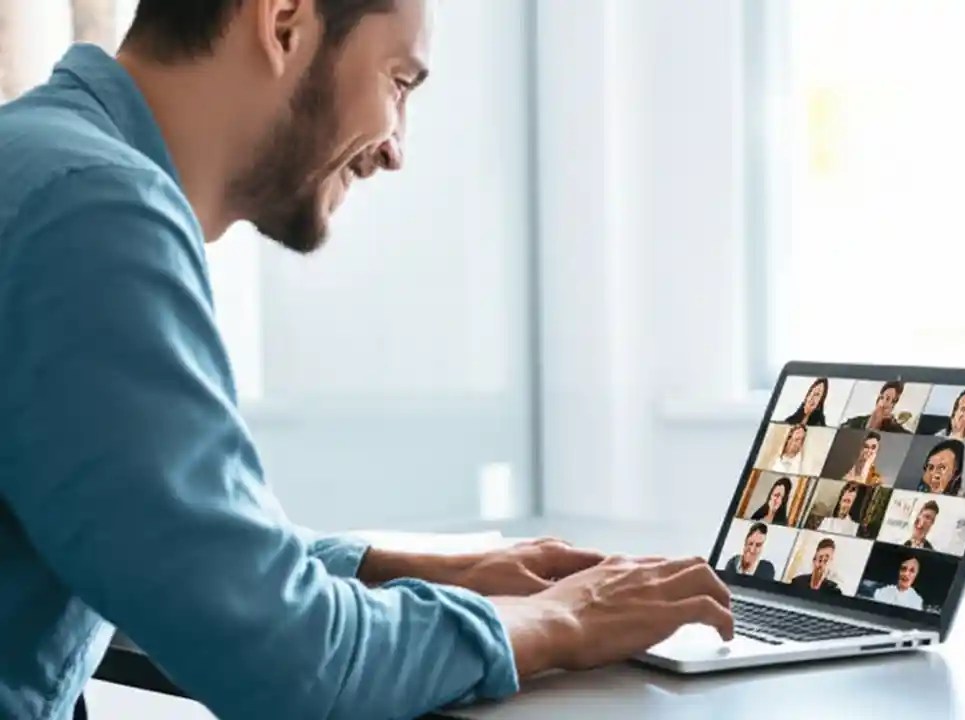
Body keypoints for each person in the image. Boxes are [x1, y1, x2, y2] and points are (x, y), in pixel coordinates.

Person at [0, 3, 734, 718]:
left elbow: (153, 556)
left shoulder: (38, 164)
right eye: (398, 81)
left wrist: (405, 568)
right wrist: (560, 621)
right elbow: (288, 659)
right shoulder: (91, 215)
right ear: (284, 22)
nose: (396, 148)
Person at [842, 381, 909, 433]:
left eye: (888, 399)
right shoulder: (858, 422)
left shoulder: (897, 431)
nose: (882, 403)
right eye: (881, 397)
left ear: (893, 405)